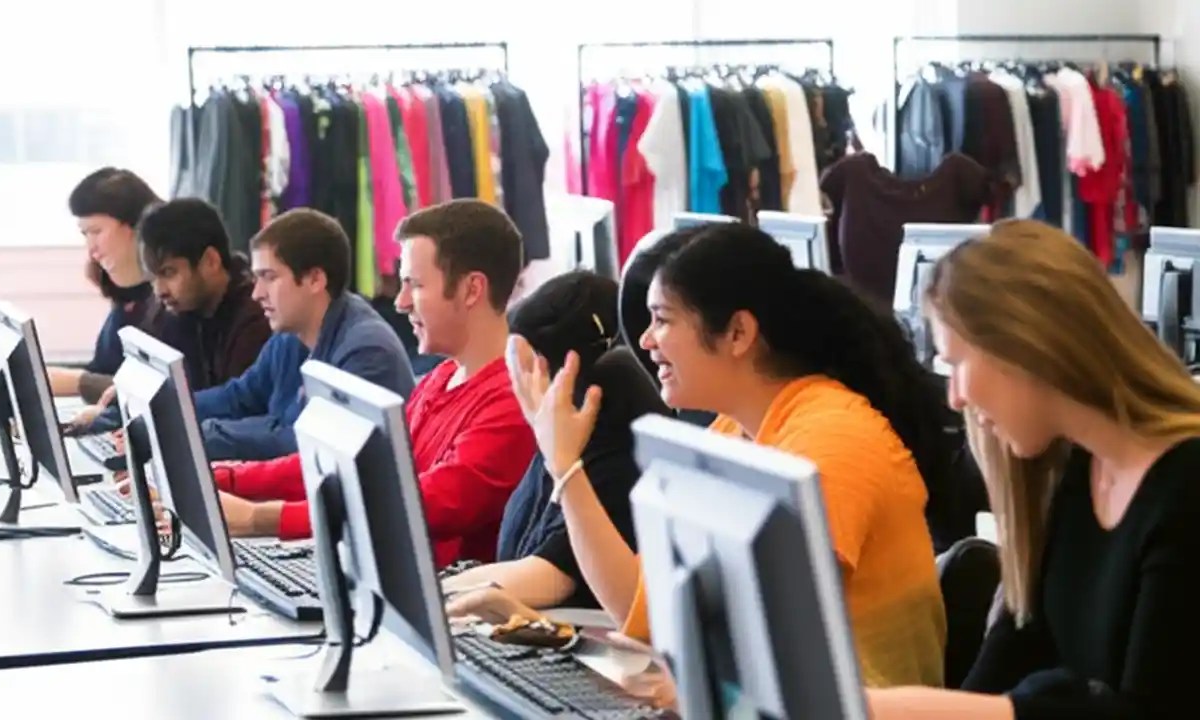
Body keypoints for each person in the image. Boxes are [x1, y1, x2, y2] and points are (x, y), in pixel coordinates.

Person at [454, 223, 951, 689]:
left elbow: (750, 648)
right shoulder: (736, 432)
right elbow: (650, 611)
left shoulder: (832, 444)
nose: (645, 341)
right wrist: (539, 625)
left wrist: (568, 469)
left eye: (662, 319)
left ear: (738, 333)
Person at [868, 220, 1200, 717]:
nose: (955, 397)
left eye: (956, 363)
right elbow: (1021, 644)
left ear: (1025, 346)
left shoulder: (1187, 485)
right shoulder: (1076, 468)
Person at [209, 200, 537, 569]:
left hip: (450, 612)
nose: (399, 302)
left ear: (472, 289)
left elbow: (413, 506)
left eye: (414, 285)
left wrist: (259, 518)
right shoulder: (440, 380)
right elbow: (348, 466)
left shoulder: (513, 402)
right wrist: (221, 478)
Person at [442, 271, 670, 610]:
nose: (515, 383)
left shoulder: (612, 450)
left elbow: (552, 575)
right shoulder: (555, 440)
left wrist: (431, 593)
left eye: (523, 368)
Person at [193, 208, 413, 460]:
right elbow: (240, 398)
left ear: (315, 280)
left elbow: (304, 446)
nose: (257, 294)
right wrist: (171, 409)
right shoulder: (291, 334)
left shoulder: (367, 352)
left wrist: (207, 435)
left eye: (269, 277)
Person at [66, 198, 271, 431]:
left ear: (211, 261)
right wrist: (116, 413)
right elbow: (155, 392)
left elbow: (236, 411)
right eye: (154, 277)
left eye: (169, 273)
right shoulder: (173, 311)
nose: (160, 290)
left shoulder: (257, 320)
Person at [48, 167, 164, 402]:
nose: (91, 250)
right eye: (85, 234)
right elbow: (107, 368)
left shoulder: (170, 298)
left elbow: (159, 390)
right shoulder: (129, 296)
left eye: (97, 232)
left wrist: (78, 382)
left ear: (137, 227)